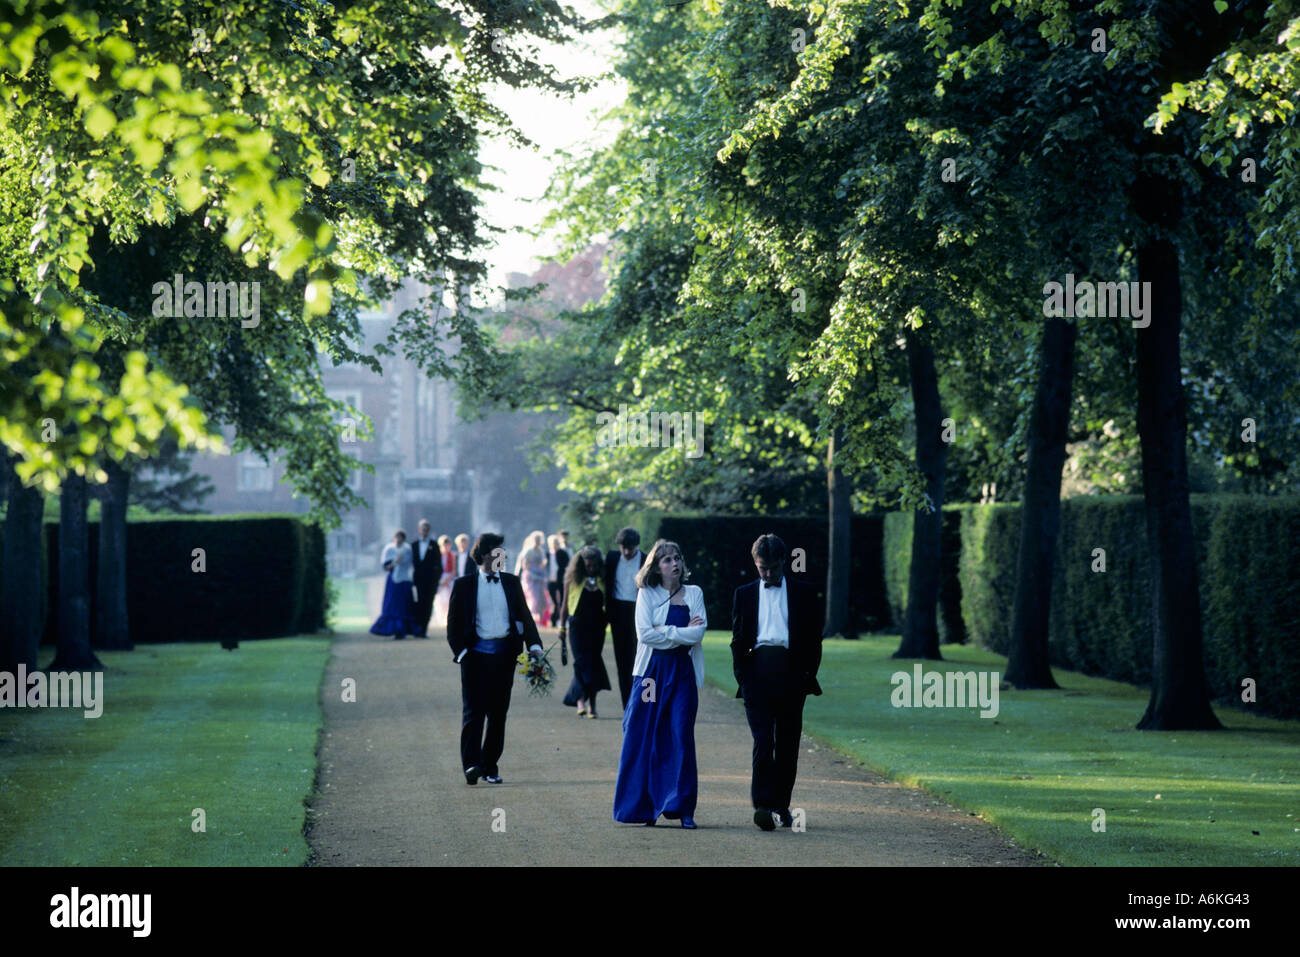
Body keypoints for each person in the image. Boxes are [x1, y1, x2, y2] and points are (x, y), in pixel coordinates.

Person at [730, 533, 823, 831]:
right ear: (755, 564)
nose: (768, 573)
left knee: (787, 743)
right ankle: (763, 805)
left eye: (773, 567)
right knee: (763, 740)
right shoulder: (743, 594)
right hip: (757, 672)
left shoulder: (805, 592)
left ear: (784, 561)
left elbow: (813, 639)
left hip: (792, 672)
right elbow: (737, 640)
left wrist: (807, 675)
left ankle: (782, 805)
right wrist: (742, 678)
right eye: (762, 568)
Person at [613, 539, 706, 828]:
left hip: (681, 672)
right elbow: (644, 635)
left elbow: (699, 633)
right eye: (666, 560)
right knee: (643, 735)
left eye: (677, 557)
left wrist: (664, 631)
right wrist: (680, 631)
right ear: (656, 566)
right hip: (651, 673)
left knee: (680, 735)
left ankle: (683, 807)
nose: (674, 563)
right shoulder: (647, 593)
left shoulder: (694, 592)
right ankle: (644, 807)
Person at [446, 533, 543, 785]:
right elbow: (453, 627)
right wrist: (463, 655)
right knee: (473, 714)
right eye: (496, 551)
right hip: (475, 659)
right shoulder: (463, 585)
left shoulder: (512, 583)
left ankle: (490, 766)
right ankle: (471, 766)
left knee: (498, 715)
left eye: (503, 551)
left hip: (505, 657)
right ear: (484, 556)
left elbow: (525, 616)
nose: (502, 555)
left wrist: (534, 646)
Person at [559, 546, 611, 718]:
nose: (591, 569)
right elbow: (565, 605)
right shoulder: (573, 579)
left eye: (594, 565)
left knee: (594, 663)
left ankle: (592, 704)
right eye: (588, 565)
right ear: (581, 565)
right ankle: (581, 700)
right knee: (581, 663)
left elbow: (608, 605)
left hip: (597, 628)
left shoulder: (603, 580)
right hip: (577, 627)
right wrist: (562, 628)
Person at [604, 527, 645, 709]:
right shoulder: (612, 558)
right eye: (623, 548)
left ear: (637, 546)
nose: (627, 552)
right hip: (617, 611)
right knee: (622, 661)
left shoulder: (645, 560)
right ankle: (626, 705)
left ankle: (639, 702)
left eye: (631, 548)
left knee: (639, 658)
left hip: (638, 611)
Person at [370, 530, 419, 639]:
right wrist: (395, 562)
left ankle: (404, 630)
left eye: (400, 537)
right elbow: (386, 567)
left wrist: (400, 561)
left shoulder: (407, 549)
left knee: (404, 605)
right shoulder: (389, 549)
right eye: (397, 537)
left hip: (405, 580)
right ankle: (390, 629)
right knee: (392, 604)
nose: (398, 540)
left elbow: (409, 563)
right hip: (393, 580)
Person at [515, 530, 551, 628]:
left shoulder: (541, 551)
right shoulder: (529, 551)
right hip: (531, 577)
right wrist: (532, 573)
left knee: (541, 598)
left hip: (540, 577)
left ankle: (540, 619)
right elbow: (524, 565)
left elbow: (544, 563)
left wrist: (542, 574)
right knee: (533, 598)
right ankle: (532, 620)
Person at [410, 519, 438, 637]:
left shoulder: (434, 545)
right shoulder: (413, 545)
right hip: (416, 581)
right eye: (422, 529)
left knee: (428, 605)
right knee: (417, 604)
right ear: (419, 530)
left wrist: (436, 581)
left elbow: (438, 565)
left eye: (426, 529)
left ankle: (424, 629)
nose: (424, 531)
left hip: (430, 582)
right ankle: (417, 628)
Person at [547, 533, 570, 627]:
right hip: (551, 581)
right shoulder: (547, 554)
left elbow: (567, 566)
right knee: (554, 602)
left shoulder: (562, 553)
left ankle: (560, 620)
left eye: (556, 542)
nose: (555, 544)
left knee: (562, 601)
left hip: (560, 580)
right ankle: (554, 619)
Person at [434, 534, 456, 626]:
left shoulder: (453, 555)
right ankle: (440, 619)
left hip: (449, 579)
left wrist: (448, 580)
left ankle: (447, 619)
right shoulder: (437, 556)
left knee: (449, 600)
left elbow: (454, 570)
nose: (446, 547)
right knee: (440, 601)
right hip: (440, 580)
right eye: (444, 545)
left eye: (447, 544)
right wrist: (440, 581)